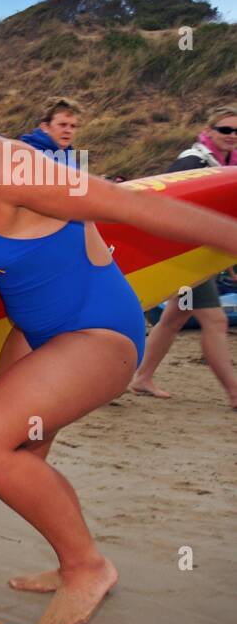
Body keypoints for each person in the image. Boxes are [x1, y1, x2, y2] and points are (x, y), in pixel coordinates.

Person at [0, 47, 237, 624]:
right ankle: (73, 558)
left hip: (97, 331)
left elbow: (129, 205)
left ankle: (88, 567)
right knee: (23, 455)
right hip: (34, 330)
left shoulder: (1, 165)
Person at [129, 104, 237, 408]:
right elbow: (167, 205)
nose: (232, 136)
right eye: (225, 130)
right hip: (180, 257)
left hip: (199, 256)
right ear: (210, 131)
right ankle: (234, 392)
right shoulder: (192, 161)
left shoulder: (226, 164)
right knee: (215, 321)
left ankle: (142, 377)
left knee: (175, 317)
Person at [20, 97, 82, 169]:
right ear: (45, 127)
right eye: (62, 125)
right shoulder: (25, 154)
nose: (68, 131)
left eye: (73, 126)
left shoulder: (72, 163)